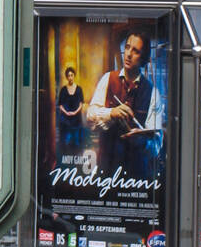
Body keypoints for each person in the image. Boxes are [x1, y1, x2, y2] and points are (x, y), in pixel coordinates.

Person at [85, 32, 162, 179]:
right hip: (106, 168)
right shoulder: (108, 79)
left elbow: (156, 145)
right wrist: (111, 113)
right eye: (127, 47)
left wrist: (141, 140)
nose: (128, 54)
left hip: (137, 174)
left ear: (145, 59)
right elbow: (90, 116)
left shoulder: (153, 93)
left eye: (136, 51)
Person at [56, 66, 85, 152]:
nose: (70, 77)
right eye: (68, 76)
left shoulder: (79, 89)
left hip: (76, 119)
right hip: (66, 119)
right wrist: (67, 113)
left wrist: (75, 112)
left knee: (76, 142)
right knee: (65, 142)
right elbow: (60, 104)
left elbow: (81, 103)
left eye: (71, 75)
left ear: (74, 76)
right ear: (66, 77)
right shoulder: (63, 90)